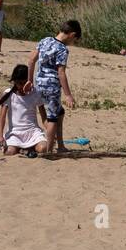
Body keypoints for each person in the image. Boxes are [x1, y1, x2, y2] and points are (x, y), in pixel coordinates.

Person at [27, 19, 82, 155]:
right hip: (52, 86)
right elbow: (61, 72)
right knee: (53, 118)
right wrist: (68, 95)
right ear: (72, 34)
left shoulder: (45, 40)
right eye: (74, 39)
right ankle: (49, 151)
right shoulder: (62, 49)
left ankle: (61, 145)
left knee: (59, 112)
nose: (72, 42)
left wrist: (30, 80)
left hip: (39, 83)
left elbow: (31, 60)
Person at [0, 64, 47, 156]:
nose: (22, 86)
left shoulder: (35, 93)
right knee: (8, 152)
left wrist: (50, 131)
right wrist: (0, 137)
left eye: (24, 83)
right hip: (15, 132)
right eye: (19, 83)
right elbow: (2, 118)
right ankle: (24, 150)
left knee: (43, 148)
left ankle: (27, 148)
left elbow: (44, 117)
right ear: (15, 82)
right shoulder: (9, 94)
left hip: (33, 132)